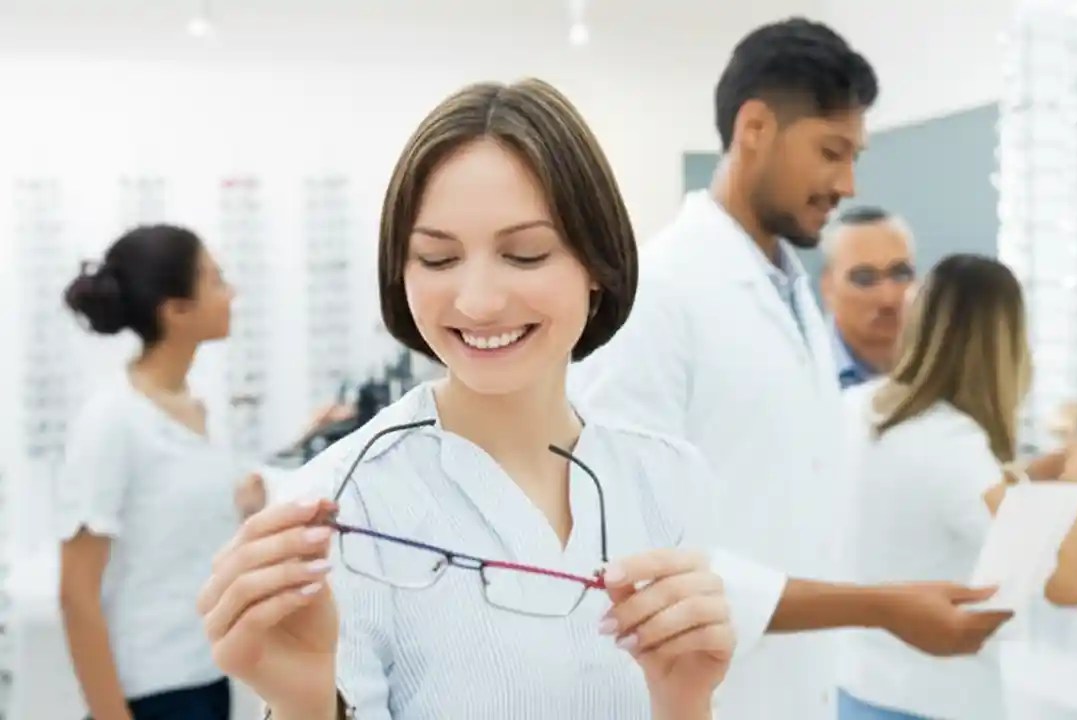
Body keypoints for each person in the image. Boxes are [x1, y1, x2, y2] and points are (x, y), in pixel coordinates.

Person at [195, 78, 771, 720]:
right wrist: (303, 702)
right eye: (438, 259)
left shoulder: (668, 480)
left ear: (597, 265)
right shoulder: (338, 503)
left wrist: (685, 700)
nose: (478, 301)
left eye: (525, 254)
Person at [570, 17, 1011, 720]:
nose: (847, 183)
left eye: (854, 156)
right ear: (755, 128)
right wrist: (878, 607)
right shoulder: (656, 293)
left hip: (800, 690)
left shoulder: (790, 292)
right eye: (831, 152)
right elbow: (632, 551)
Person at [837, 254, 1077, 720]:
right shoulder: (953, 445)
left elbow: (931, 498)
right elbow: (1064, 587)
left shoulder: (855, 407)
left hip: (855, 690)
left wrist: (1038, 473)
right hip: (930, 704)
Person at [58, 225, 243, 720]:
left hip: (209, 677)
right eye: (216, 280)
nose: (232, 293)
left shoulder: (197, 407)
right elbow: (77, 593)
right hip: (151, 695)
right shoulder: (112, 421)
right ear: (176, 310)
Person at [818, 206, 916, 389]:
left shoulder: (952, 367)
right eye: (864, 279)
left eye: (901, 274)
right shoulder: (801, 373)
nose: (888, 298)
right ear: (828, 288)